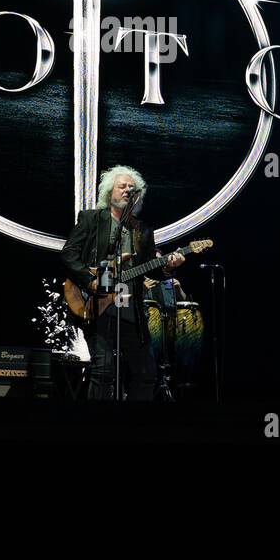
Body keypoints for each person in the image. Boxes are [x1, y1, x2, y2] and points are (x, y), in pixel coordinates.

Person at [60, 166, 184, 400]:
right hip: (97, 303)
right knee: (103, 370)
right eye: (122, 186)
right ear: (110, 192)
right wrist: (90, 281)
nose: (128, 190)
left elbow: (151, 270)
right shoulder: (91, 219)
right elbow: (68, 254)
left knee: (146, 373)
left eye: (132, 187)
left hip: (130, 308)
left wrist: (168, 266)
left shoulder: (143, 230)